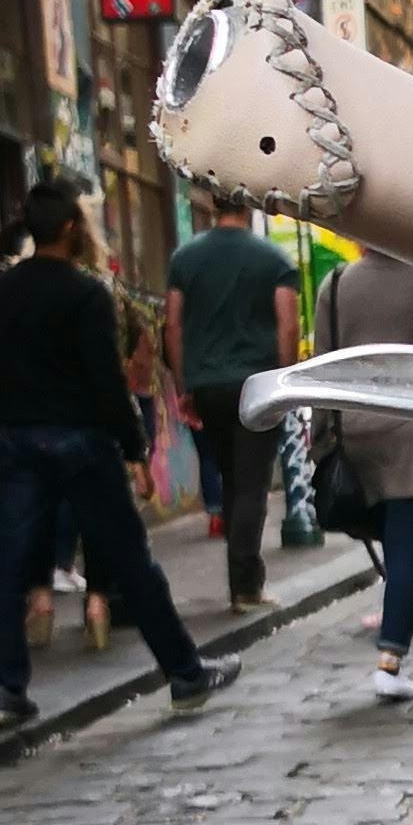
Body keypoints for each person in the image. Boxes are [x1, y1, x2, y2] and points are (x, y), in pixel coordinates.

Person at [0, 178, 238, 734]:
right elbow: (105, 380)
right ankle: (185, 673)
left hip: (22, 440)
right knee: (130, 561)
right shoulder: (84, 293)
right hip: (81, 440)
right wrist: (134, 448)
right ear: (71, 229)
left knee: (13, 567)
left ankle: (5, 689)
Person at [312, 243, 413, 703]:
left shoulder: (334, 285)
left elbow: (323, 369)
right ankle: (389, 662)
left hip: (357, 432)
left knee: (401, 547)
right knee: (405, 548)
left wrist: (320, 441)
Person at [161, 192, 297, 608]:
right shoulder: (273, 259)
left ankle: (240, 579)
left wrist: (184, 386)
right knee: (252, 484)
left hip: (208, 385)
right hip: (256, 383)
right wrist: (284, 383)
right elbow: (287, 325)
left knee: (231, 477)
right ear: (248, 206)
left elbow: (173, 326)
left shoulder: (184, 259)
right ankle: (246, 585)